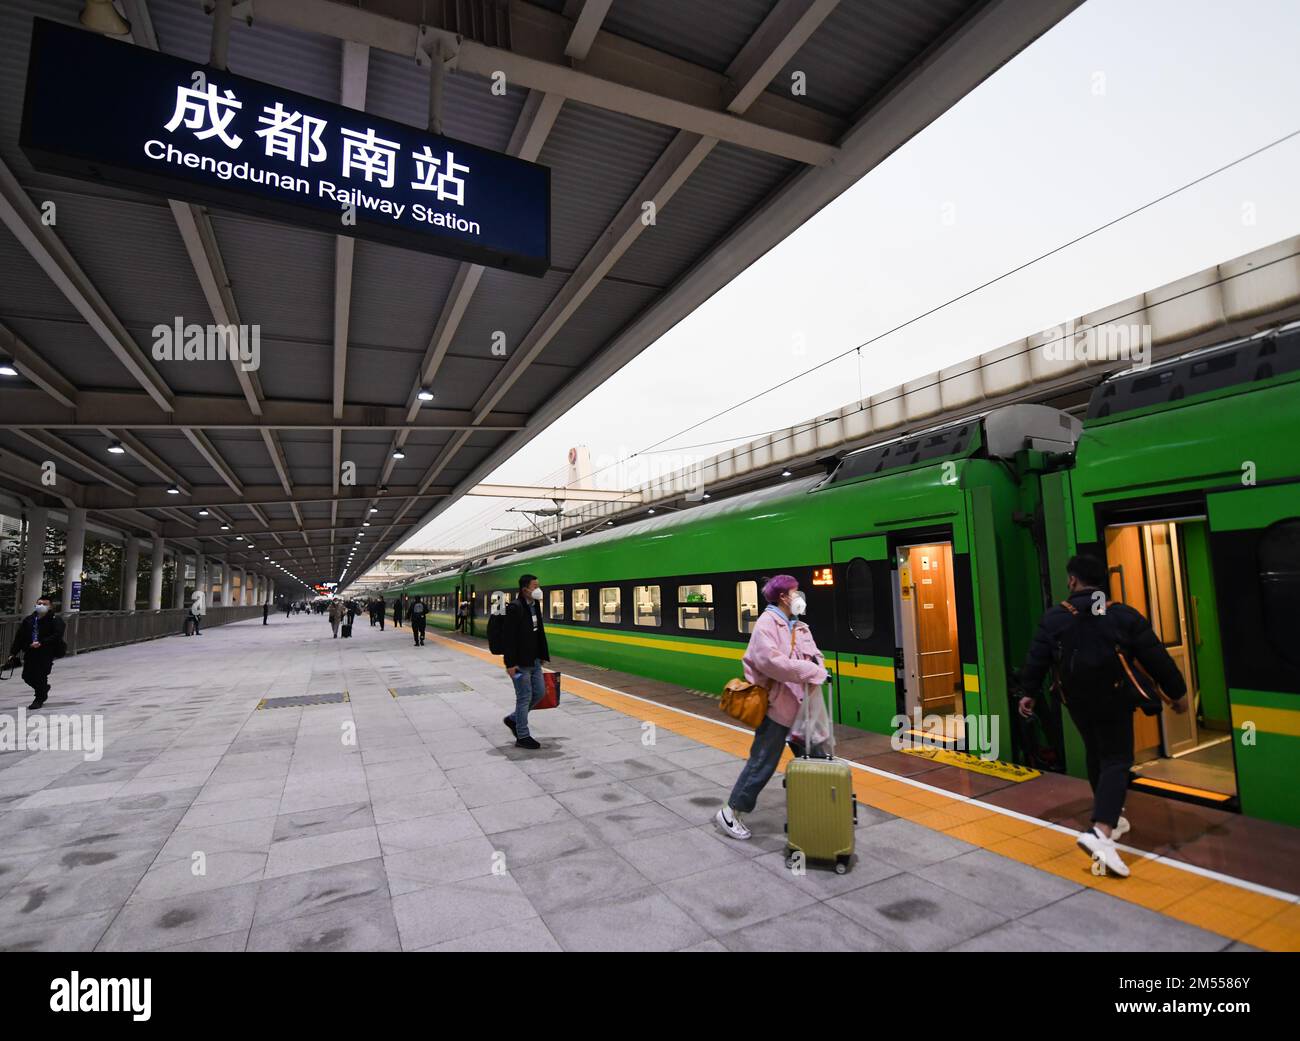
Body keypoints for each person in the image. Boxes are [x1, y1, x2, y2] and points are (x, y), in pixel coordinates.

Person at [1017, 554, 1188, 878]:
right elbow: (1157, 658)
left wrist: (1028, 692)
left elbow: (1037, 658)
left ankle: (1110, 815)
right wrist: (1177, 695)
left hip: (1077, 702)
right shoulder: (1122, 616)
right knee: (1116, 759)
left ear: (1072, 581)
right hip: (1114, 699)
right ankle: (1102, 831)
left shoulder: (1055, 618)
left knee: (1097, 754)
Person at [716, 575, 827, 841]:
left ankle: (821, 812)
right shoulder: (767, 624)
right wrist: (812, 671)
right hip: (776, 708)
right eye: (796, 591)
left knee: (817, 760)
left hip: (801, 707)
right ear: (783, 596)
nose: (800, 596)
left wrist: (817, 666)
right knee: (763, 763)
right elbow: (771, 663)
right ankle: (731, 812)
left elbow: (814, 655)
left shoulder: (798, 625)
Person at [501, 574, 549, 751]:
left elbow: (538, 632)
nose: (538, 589)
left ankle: (513, 719)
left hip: (534, 660)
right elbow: (509, 638)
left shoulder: (535, 605)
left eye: (538, 585)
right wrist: (510, 664)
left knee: (540, 693)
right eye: (535, 586)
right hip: (519, 663)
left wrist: (542, 654)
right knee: (524, 697)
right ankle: (523, 736)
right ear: (525, 590)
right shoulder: (515, 608)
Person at [6, 594, 66, 710]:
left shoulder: (55, 620)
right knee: (27, 676)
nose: (41, 605)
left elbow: (57, 635)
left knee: (40, 675)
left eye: (44, 604)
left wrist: (42, 642)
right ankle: (43, 689)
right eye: (39, 603)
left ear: (50, 607)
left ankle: (39, 698)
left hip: (46, 652)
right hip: (30, 651)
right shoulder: (29, 620)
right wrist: (12, 653)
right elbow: (19, 638)